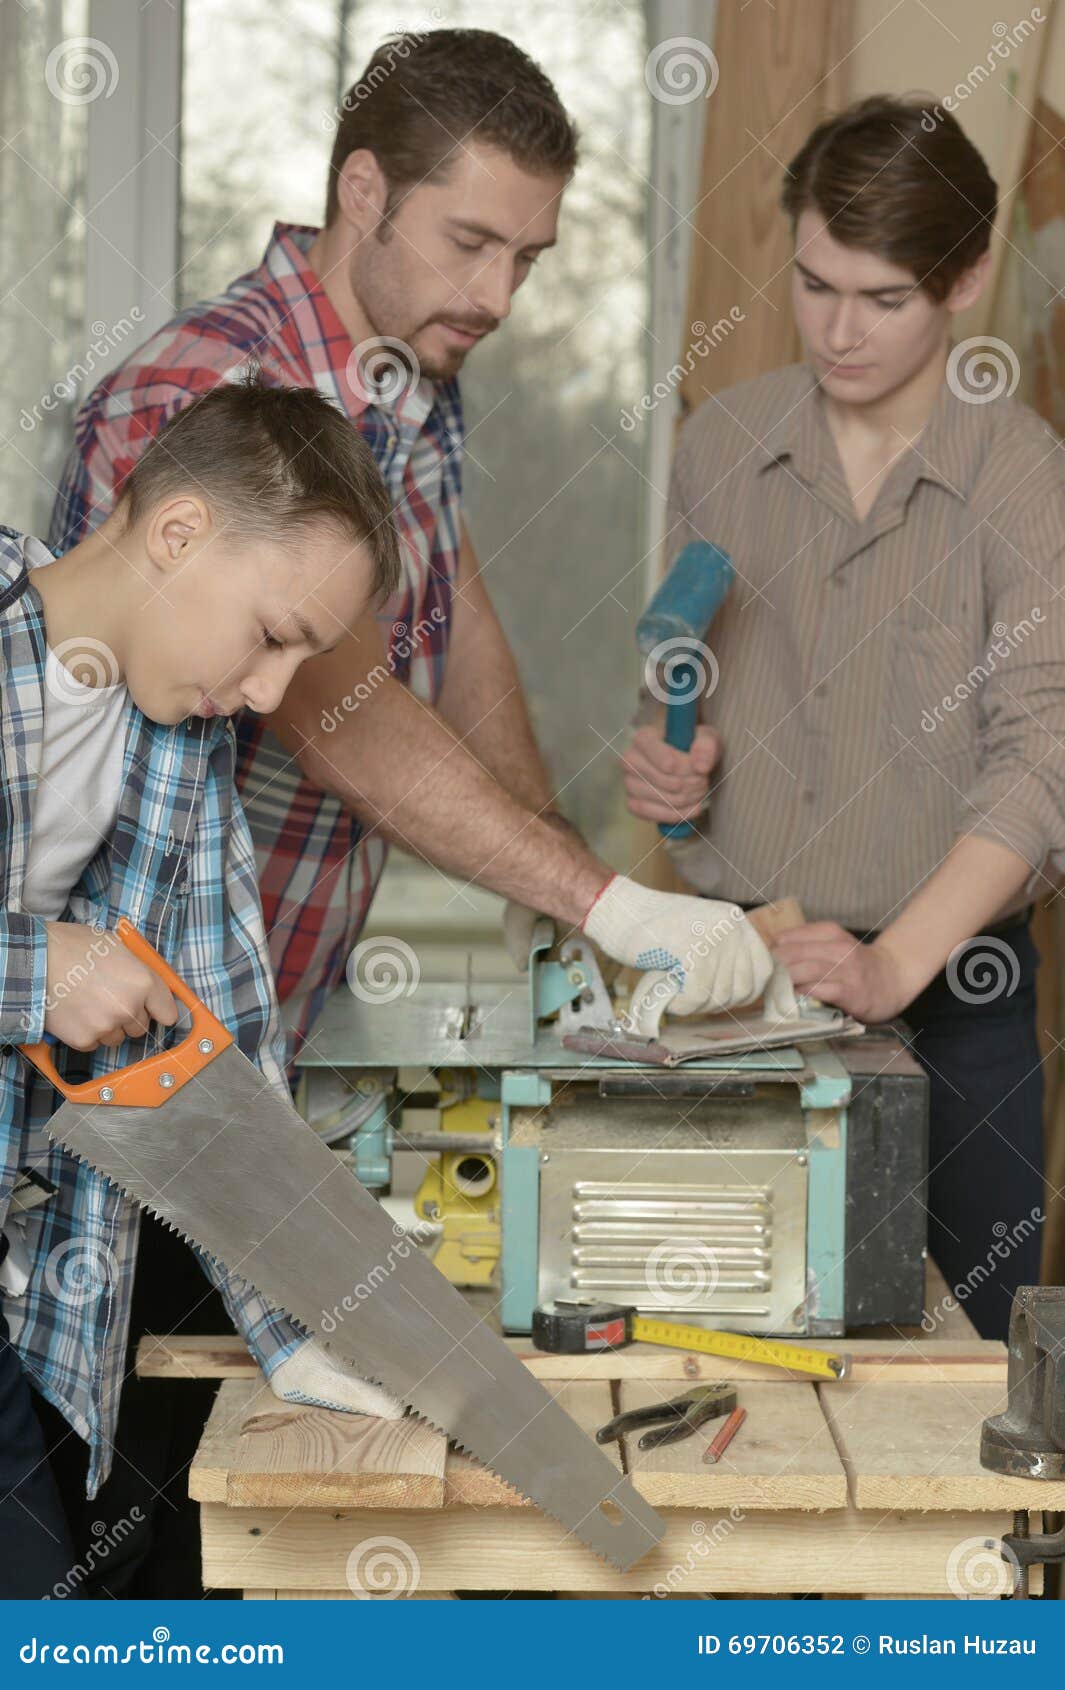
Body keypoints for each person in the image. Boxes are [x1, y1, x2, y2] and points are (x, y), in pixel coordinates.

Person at [48, 26, 773, 1059]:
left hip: (275, 1012)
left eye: (526, 257)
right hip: (119, 1027)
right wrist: (609, 899)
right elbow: (334, 710)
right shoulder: (217, 389)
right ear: (364, 191)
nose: (498, 297)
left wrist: (559, 883)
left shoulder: (413, 379)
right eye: (469, 242)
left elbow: (457, 630)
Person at [622, 95, 1065, 1340]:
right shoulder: (721, 444)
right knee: (726, 1343)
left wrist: (890, 966)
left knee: (979, 1376)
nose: (836, 329)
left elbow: (1045, 759)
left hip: (955, 995)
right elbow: (675, 680)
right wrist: (675, 772)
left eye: (882, 299)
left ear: (966, 278)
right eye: (817, 285)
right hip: (737, 990)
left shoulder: (1026, 478)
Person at [0, 374, 400, 1597]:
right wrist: (34, 968)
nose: (276, 693)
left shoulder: (175, 742)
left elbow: (225, 1047)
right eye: (273, 635)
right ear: (178, 534)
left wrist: (303, 1316)